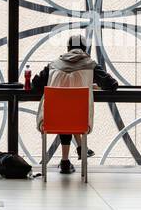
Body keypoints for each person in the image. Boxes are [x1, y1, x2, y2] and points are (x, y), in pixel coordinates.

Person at [31, 33, 118, 174]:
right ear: (85, 49)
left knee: (64, 112)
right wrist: (91, 84)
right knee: (71, 114)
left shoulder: (53, 64)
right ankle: (79, 150)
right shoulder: (91, 65)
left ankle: (66, 159)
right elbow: (112, 84)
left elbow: (35, 84)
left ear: (68, 48)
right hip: (79, 121)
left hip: (52, 119)